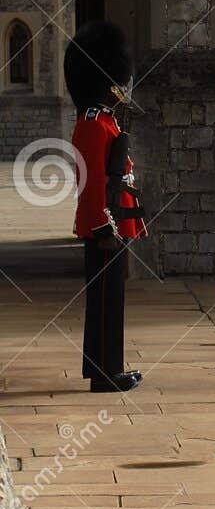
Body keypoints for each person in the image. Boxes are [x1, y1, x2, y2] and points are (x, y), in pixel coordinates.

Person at [64, 21, 147, 393]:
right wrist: (102, 226)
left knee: (112, 302)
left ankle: (109, 368)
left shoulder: (104, 120)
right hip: (105, 226)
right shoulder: (94, 124)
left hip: (115, 221)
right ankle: (103, 374)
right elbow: (93, 182)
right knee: (103, 302)